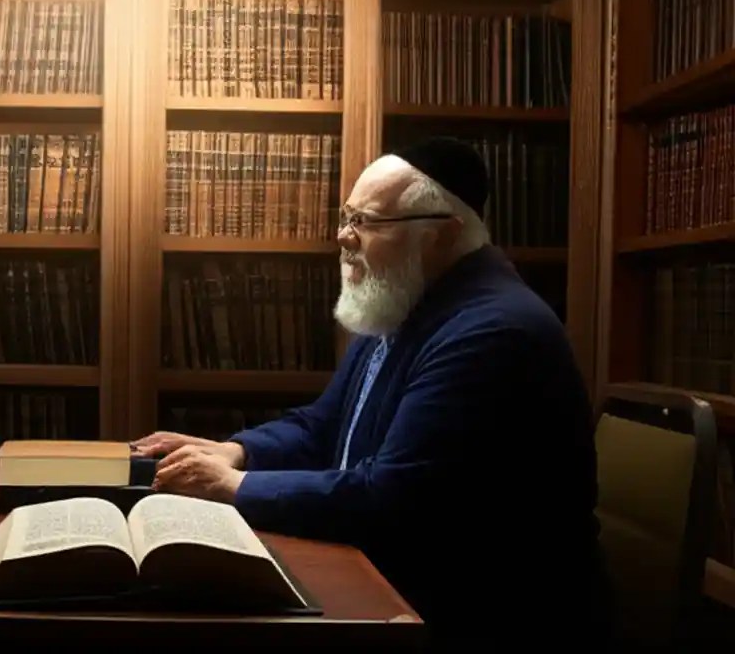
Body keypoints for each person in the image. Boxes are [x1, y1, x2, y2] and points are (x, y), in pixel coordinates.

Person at [133, 137, 610, 645]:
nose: (343, 236)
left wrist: (232, 487)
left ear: (441, 236)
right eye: (346, 216)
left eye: (367, 222)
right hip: (400, 582)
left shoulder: (492, 332)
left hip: (489, 617)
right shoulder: (407, 301)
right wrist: (237, 451)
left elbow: (391, 501)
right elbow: (323, 427)